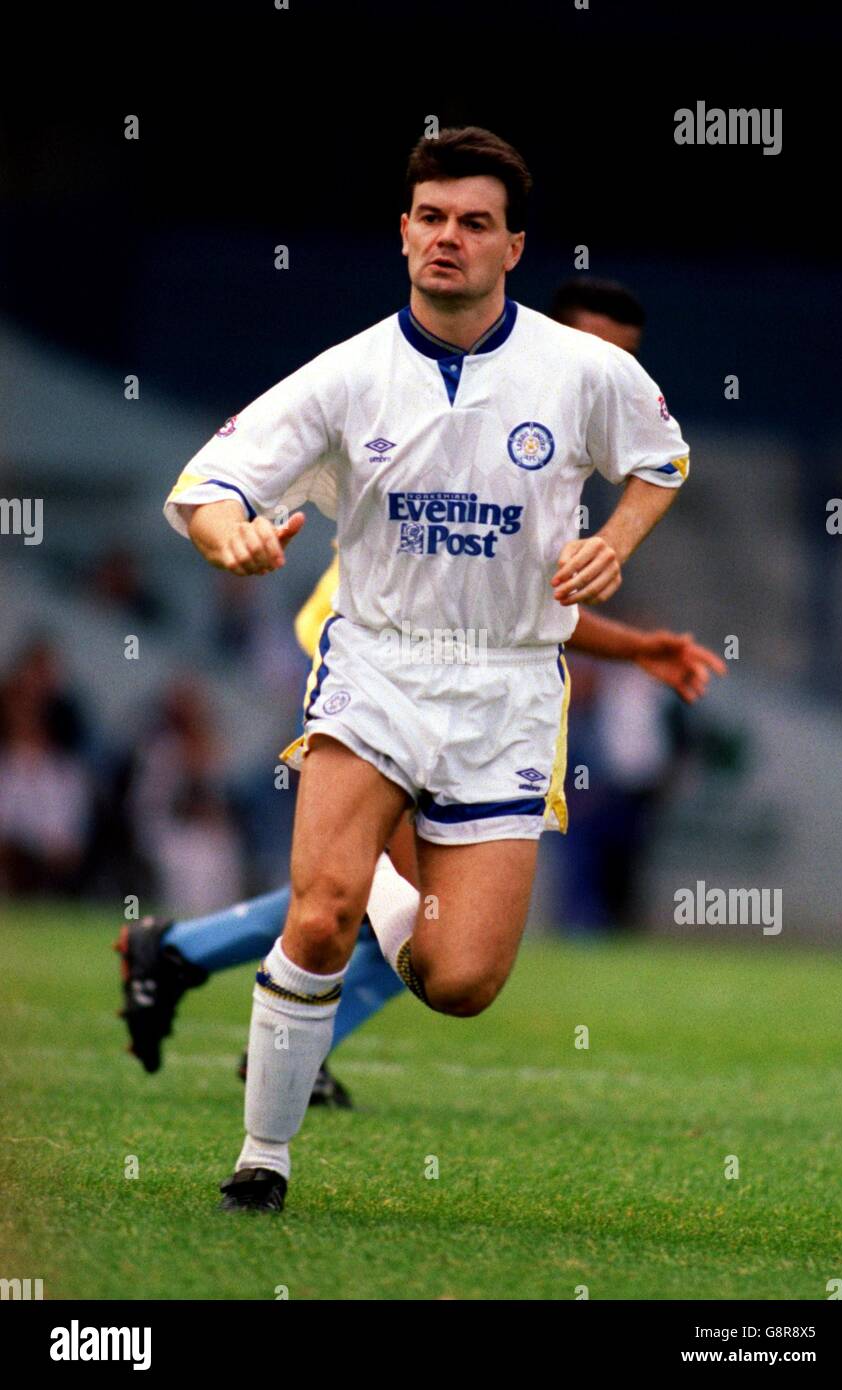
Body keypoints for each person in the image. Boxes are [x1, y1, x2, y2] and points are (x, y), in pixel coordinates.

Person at [162, 126, 692, 1212]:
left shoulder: (584, 370)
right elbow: (206, 490)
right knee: (315, 915)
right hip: (377, 665)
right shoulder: (347, 373)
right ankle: (262, 1160)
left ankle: (383, 883)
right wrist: (236, 540)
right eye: (432, 218)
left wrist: (616, 544)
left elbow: (663, 461)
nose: (449, 237)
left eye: (474, 223)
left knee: (459, 982)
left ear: (511, 246)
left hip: (506, 686)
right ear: (404, 233)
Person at [117, 546, 723, 1093]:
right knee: (418, 911)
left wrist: (636, 649)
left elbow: (515, 608)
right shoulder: (458, 461)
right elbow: (497, 597)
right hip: (376, 687)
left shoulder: (477, 475)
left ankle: (190, 963)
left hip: (405, 682)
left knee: (372, 898)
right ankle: (267, 1028)